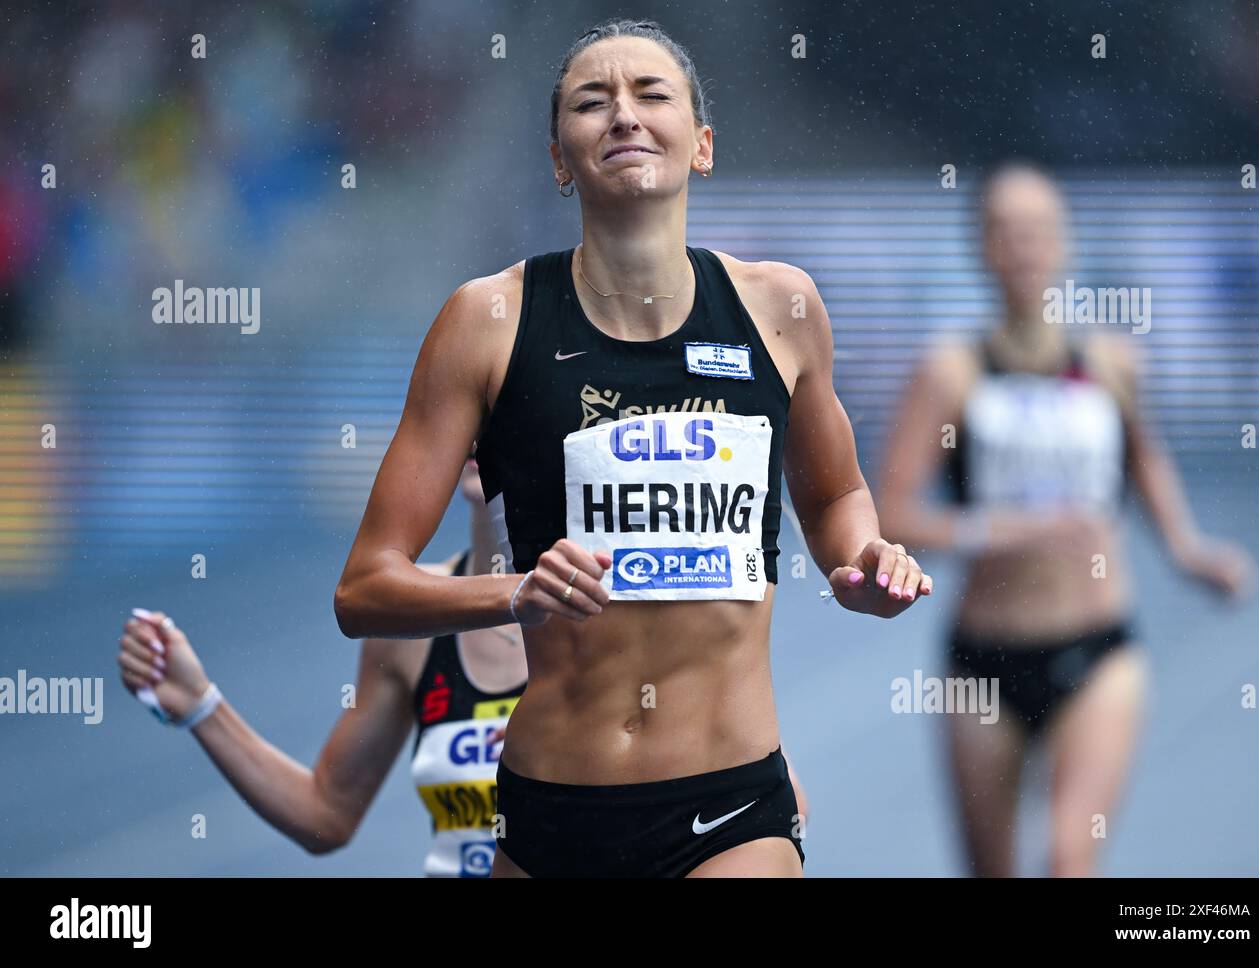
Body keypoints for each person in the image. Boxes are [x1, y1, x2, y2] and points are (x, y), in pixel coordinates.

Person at [332, 18, 930, 878]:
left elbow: (834, 499)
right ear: (558, 159)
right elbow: (365, 587)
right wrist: (515, 592)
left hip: (732, 804)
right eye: (591, 101)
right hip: (553, 809)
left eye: (652, 95)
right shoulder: (486, 323)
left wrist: (861, 562)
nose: (623, 115)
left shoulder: (781, 308)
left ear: (703, 145)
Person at [875, 161, 1256, 877]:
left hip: (1098, 650)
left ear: (1066, 245)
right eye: (1005, 232)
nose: (1023, 248)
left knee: (1068, 860)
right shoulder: (950, 371)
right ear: (981, 248)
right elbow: (892, 515)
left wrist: (1187, 548)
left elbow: (1145, 459)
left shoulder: (1112, 364)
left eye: (1039, 231)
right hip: (982, 664)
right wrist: (1007, 528)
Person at [117, 456, 529, 876]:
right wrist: (199, 704)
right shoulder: (414, 616)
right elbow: (327, 814)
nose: (482, 425)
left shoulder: (596, 616)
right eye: (476, 409)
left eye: (507, 402)